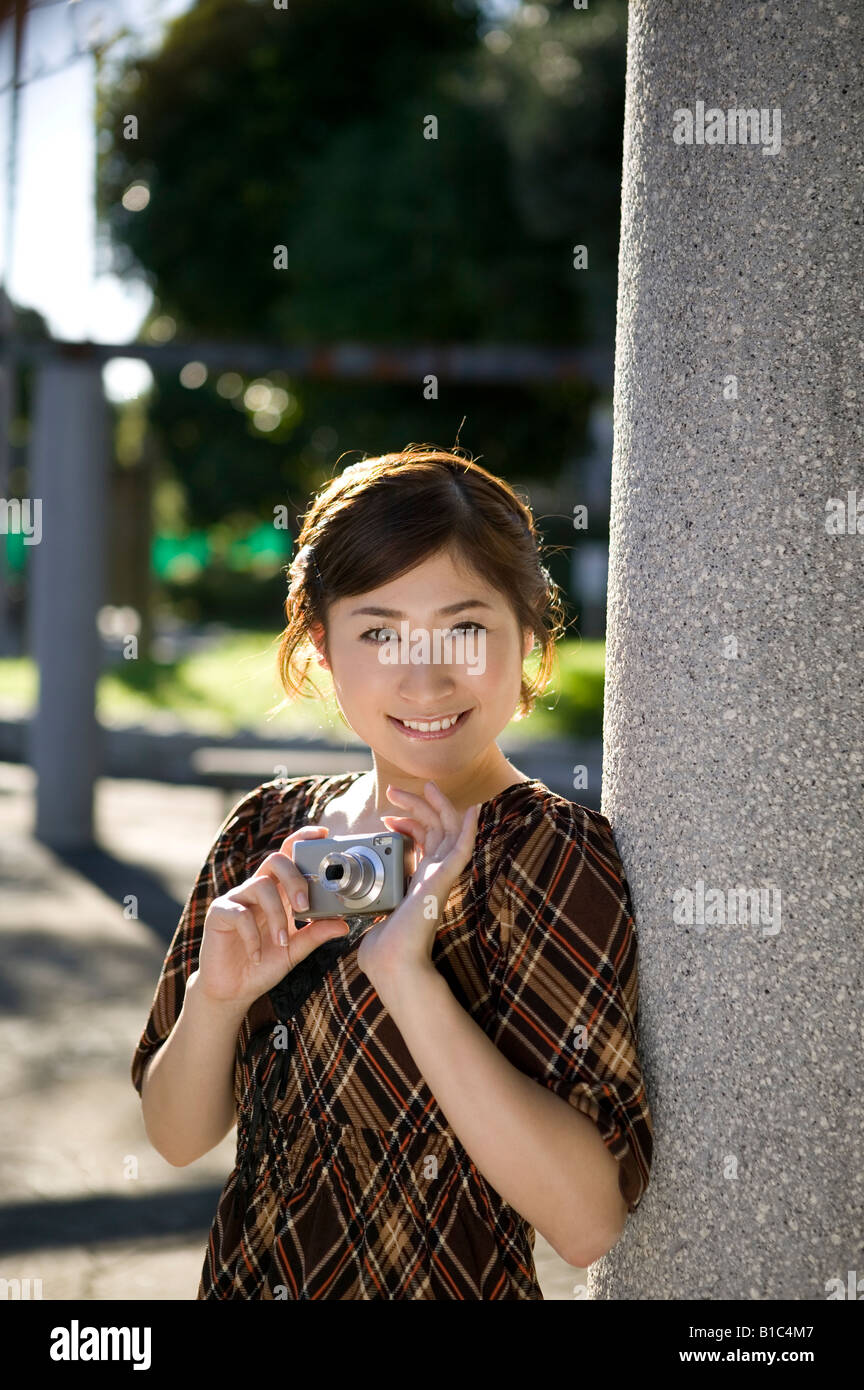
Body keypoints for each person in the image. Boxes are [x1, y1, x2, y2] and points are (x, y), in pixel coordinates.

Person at [131, 444, 653, 1300]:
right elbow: (177, 1135)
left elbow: (587, 1221)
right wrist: (215, 1001)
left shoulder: (552, 855)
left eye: (465, 627)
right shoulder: (267, 832)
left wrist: (407, 977)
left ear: (529, 637)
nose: (424, 677)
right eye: (378, 631)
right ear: (322, 650)